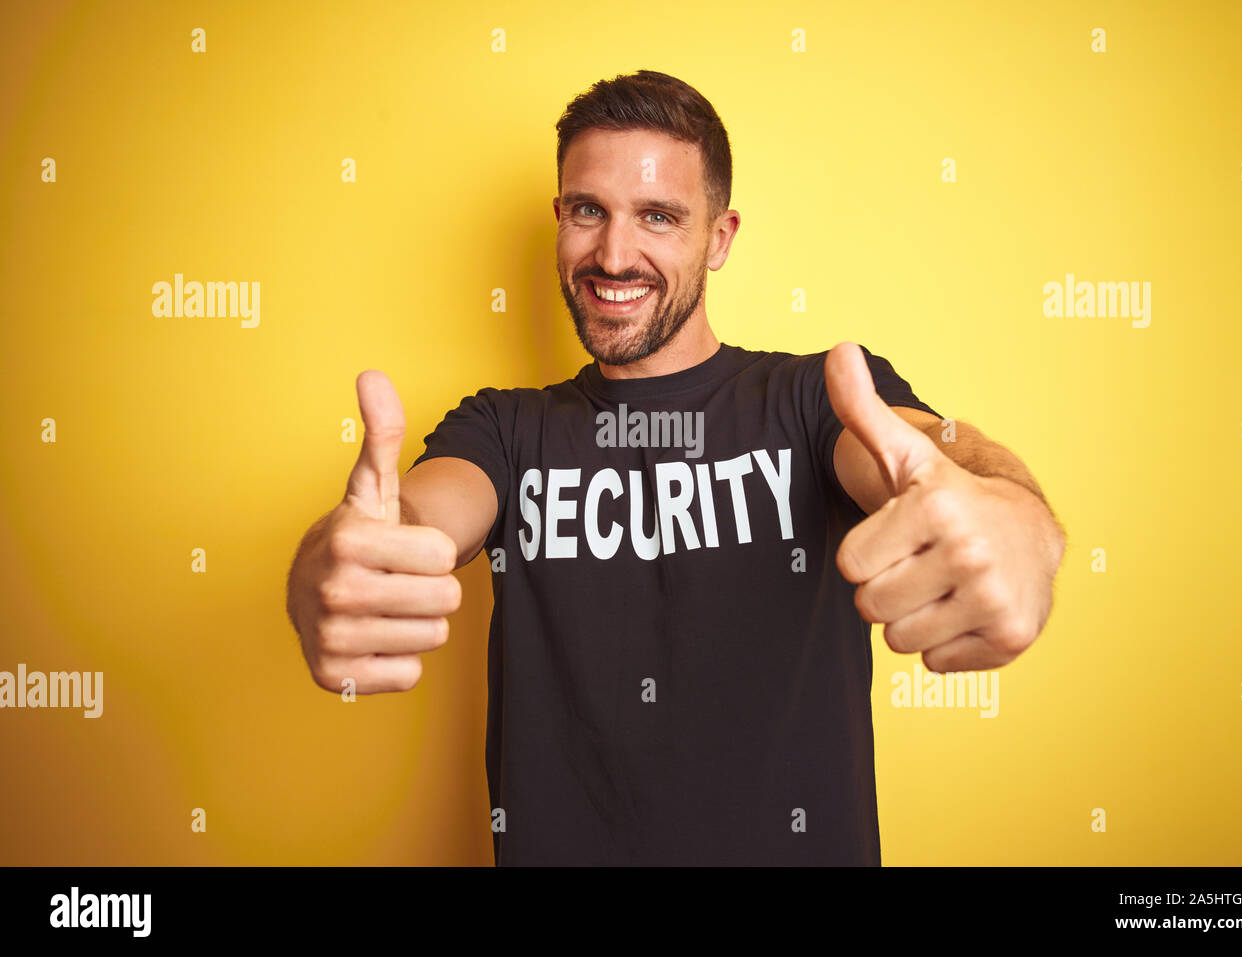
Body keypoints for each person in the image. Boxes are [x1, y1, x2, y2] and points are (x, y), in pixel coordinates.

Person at [285, 70, 1066, 865]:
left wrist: (1010, 508)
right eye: (589, 210)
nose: (614, 255)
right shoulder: (503, 428)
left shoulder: (814, 399)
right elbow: (409, 521)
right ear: (560, 217)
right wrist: (338, 553)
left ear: (719, 238)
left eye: (658, 216)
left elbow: (929, 454)